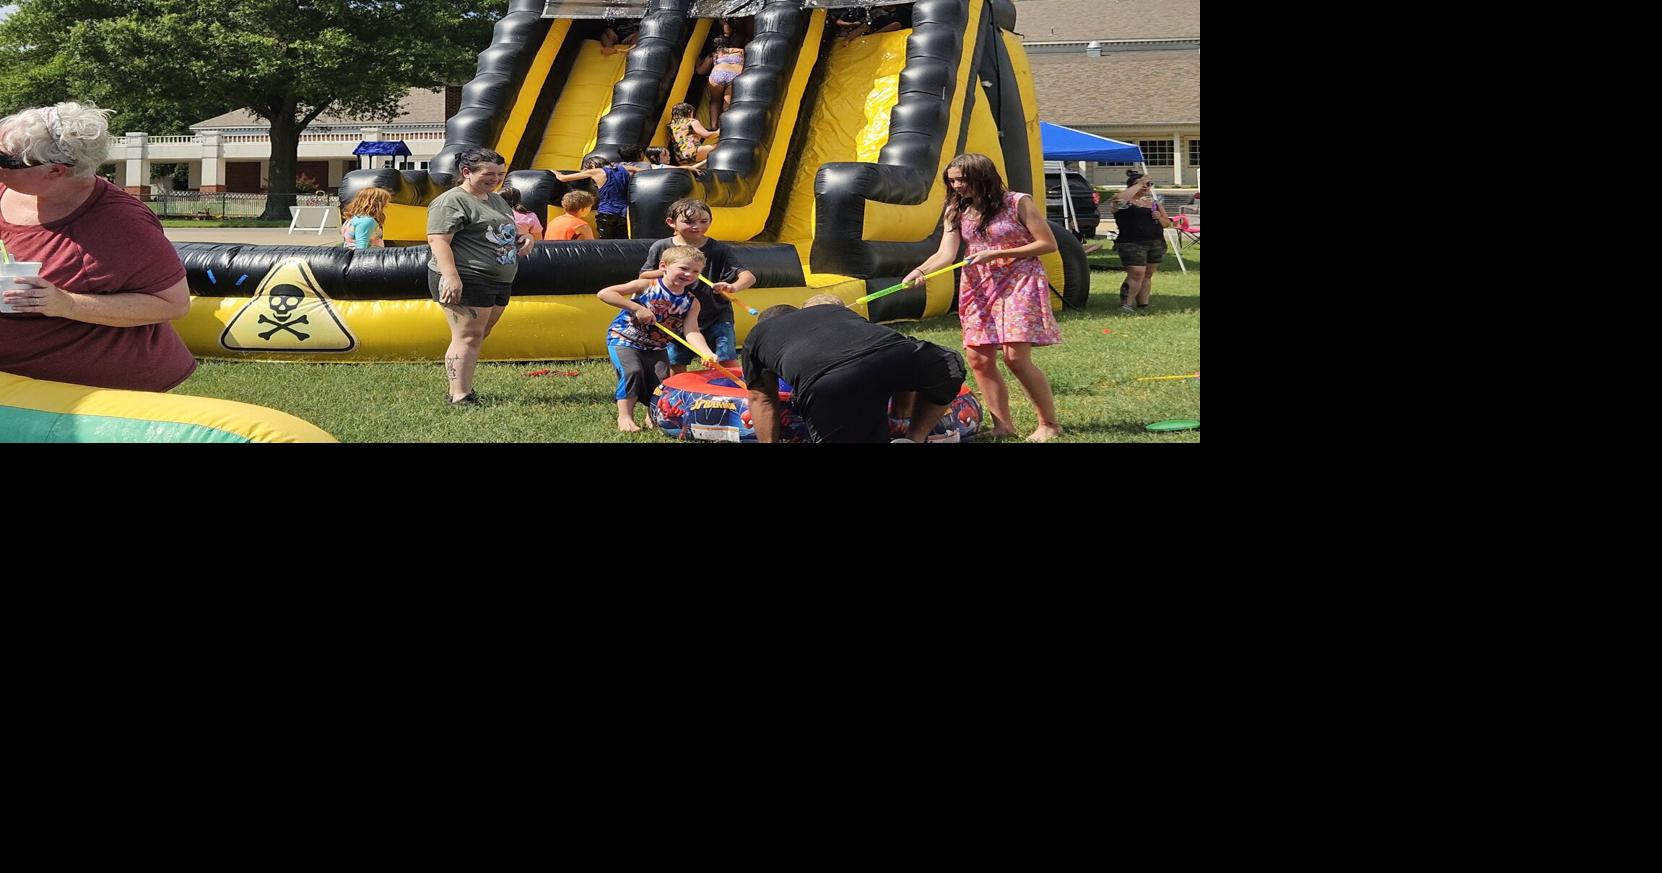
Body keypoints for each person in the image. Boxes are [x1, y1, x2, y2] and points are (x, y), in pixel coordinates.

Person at [0, 101, 195, 392]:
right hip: (20, 388)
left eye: (7, 160)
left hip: (105, 398)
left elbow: (174, 304)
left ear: (55, 171)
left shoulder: (123, 222)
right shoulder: (8, 187)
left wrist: (65, 303)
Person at [904, 153, 1062, 442]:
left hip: (1019, 281)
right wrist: (920, 271)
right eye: (951, 181)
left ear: (983, 176)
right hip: (979, 286)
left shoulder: (1017, 202)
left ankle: (1049, 423)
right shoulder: (955, 208)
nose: (956, 186)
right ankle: (1003, 426)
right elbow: (945, 254)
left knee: (1015, 357)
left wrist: (998, 253)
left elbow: (1047, 244)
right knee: (978, 358)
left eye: (962, 180)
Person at [742, 297, 965, 443]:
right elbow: (889, 352)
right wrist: (900, 409)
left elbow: (762, 401)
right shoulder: (829, 310)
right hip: (901, 358)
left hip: (829, 383)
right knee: (946, 366)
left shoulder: (757, 337)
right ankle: (913, 437)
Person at [426, 146, 536, 406]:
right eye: (488, 173)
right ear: (466, 172)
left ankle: (459, 388)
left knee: (479, 333)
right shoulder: (451, 201)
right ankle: (460, 395)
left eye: (500, 173)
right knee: (468, 336)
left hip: (498, 278)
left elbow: (503, 231)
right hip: (467, 275)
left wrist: (525, 238)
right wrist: (451, 277)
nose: (496, 179)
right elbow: (438, 240)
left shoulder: (495, 199)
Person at [598, 244, 716, 433]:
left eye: (695, 271)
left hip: (656, 345)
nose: (689, 274)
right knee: (633, 371)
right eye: (683, 268)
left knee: (661, 381)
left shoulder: (692, 302)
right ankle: (625, 416)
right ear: (664, 266)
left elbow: (692, 331)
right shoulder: (647, 286)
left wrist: (706, 352)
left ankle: (652, 416)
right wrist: (637, 308)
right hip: (624, 338)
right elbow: (604, 293)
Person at [637, 198, 754, 375]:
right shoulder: (661, 247)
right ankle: (679, 399)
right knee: (676, 364)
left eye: (703, 221)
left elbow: (748, 277)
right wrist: (672, 271)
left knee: (726, 362)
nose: (696, 226)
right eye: (689, 222)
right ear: (671, 222)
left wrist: (732, 287)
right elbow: (644, 275)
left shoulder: (718, 249)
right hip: (676, 315)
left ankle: (731, 396)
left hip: (716, 315)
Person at [1106, 170, 1172, 315]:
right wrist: (1140, 182)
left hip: (1155, 242)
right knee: (1136, 272)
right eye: (1140, 184)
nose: (1144, 187)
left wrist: (1159, 217)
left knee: (1148, 273)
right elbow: (1118, 199)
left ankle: (1143, 304)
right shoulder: (1123, 202)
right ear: (1130, 186)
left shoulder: (1153, 203)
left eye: (1147, 184)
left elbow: (1167, 223)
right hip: (1131, 242)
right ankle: (1126, 304)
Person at [554, 155, 638, 239]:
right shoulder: (625, 168)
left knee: (605, 242)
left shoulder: (596, 171)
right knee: (622, 240)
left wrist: (555, 172)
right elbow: (645, 171)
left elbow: (563, 178)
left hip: (606, 211)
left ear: (593, 165)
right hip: (624, 212)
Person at [702, 37, 745, 131]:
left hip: (718, 73)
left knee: (715, 101)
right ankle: (725, 128)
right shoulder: (740, 51)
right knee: (728, 105)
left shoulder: (714, 54)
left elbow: (701, 71)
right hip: (734, 75)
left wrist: (697, 62)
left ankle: (713, 126)